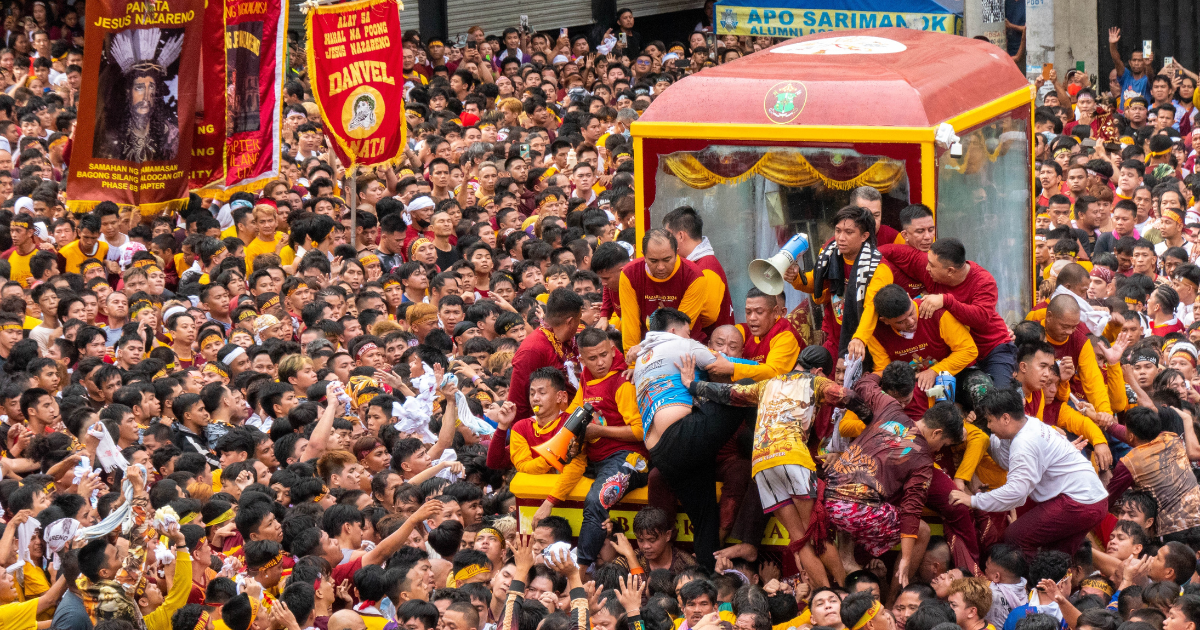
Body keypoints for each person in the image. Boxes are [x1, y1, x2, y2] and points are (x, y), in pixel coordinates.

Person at [952, 389, 1109, 556]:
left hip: (1079, 503)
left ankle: (1025, 581)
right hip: (1094, 499)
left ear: (1006, 418)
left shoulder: (1024, 443)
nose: (989, 427)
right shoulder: (1029, 423)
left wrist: (973, 500)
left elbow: (1016, 493)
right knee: (1055, 556)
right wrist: (973, 437)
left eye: (990, 421)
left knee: (1016, 537)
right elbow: (1003, 456)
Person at [618, 229, 711, 351]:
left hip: (685, 348)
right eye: (653, 261)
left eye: (667, 260)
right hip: (644, 351)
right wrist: (632, 363)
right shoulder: (629, 274)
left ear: (677, 253)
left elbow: (678, 329)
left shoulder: (694, 276)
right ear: (643, 255)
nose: (661, 267)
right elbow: (630, 324)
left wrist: (643, 347)